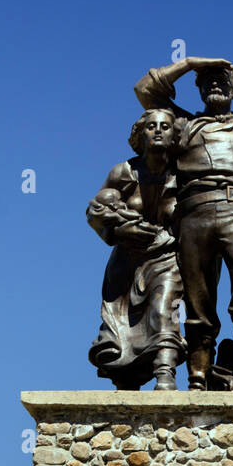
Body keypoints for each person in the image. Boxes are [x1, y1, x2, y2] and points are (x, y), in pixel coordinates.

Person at [133, 55, 233, 391]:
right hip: (195, 215)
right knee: (197, 304)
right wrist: (191, 62)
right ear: (200, 89)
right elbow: (146, 90)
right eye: (208, 81)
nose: (216, 85)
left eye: (222, 80)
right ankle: (197, 379)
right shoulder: (183, 126)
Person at [87, 109, 185, 390]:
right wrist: (117, 229)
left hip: (167, 255)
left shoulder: (185, 174)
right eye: (150, 126)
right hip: (127, 260)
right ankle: (126, 382)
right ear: (139, 134)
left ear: (174, 134)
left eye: (164, 126)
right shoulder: (123, 172)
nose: (157, 130)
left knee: (164, 308)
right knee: (120, 325)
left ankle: (165, 375)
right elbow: (95, 212)